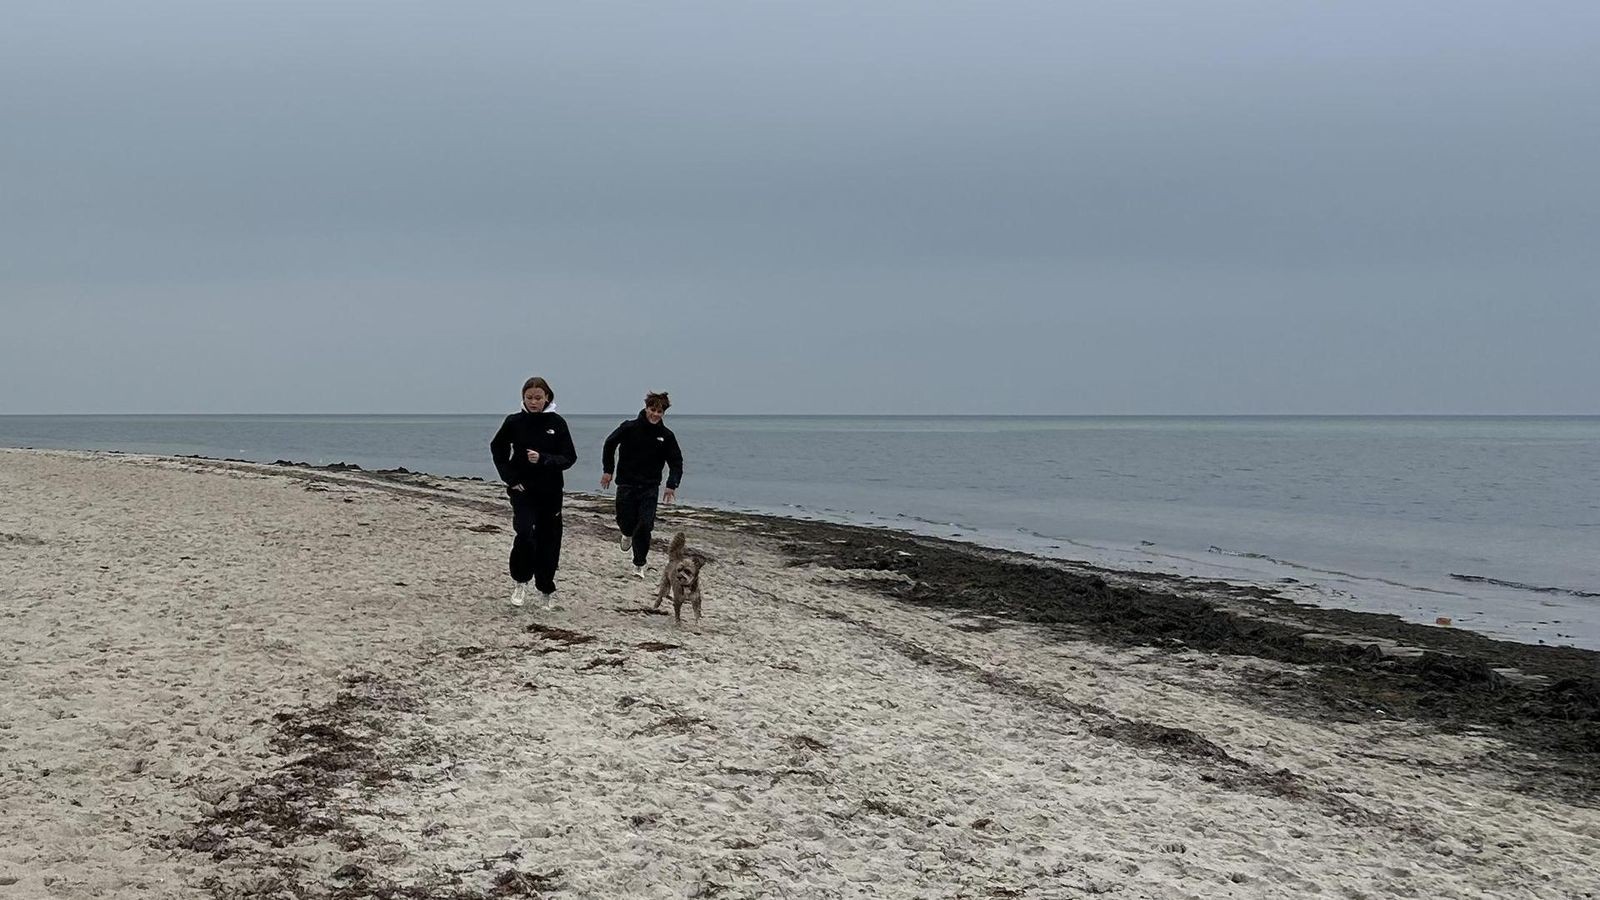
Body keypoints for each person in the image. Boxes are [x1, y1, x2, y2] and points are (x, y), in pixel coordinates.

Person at [489, 376, 577, 609]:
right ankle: (520, 581)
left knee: (549, 539)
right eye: (529, 398)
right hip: (522, 490)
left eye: (538, 398)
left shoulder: (557, 423)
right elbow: (497, 448)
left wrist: (544, 459)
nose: (533, 402)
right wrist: (510, 478)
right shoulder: (514, 422)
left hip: (550, 492)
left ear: (547, 397)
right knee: (525, 533)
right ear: (523, 398)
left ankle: (545, 589)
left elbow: (569, 457)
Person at [601, 391, 684, 578]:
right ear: (646, 408)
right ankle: (626, 534)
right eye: (652, 409)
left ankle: (639, 563)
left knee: (645, 525)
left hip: (649, 487)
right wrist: (608, 470)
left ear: (664, 413)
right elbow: (609, 443)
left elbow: (676, 461)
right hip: (626, 484)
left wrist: (672, 484)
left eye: (660, 411)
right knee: (625, 522)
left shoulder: (666, 436)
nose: (655, 414)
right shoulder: (629, 427)